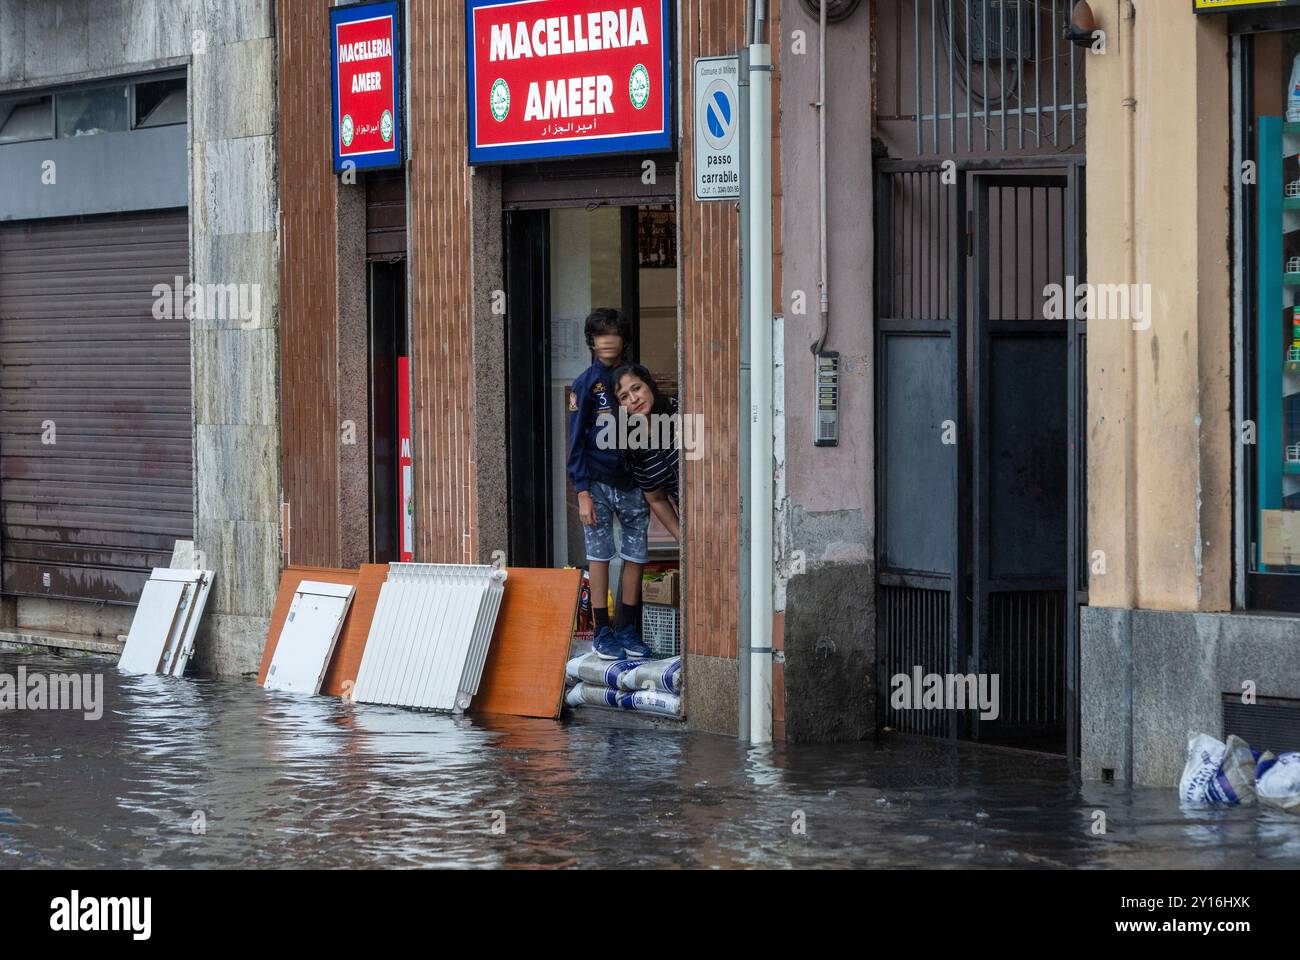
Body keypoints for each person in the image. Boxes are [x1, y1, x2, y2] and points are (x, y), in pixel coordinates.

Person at [566, 308, 653, 661]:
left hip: (633, 481)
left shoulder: (636, 378)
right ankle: (603, 630)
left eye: (614, 333)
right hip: (598, 482)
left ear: (623, 339)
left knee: (636, 556)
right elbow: (574, 443)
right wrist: (582, 493)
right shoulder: (585, 383)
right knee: (599, 556)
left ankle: (628, 629)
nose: (607, 340)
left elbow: (655, 425)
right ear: (591, 341)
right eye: (601, 334)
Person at [611, 363, 680, 543]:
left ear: (649, 385)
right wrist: (683, 538)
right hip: (693, 520)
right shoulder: (634, 447)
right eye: (624, 396)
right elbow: (657, 499)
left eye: (637, 388)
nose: (634, 399)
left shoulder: (680, 411)